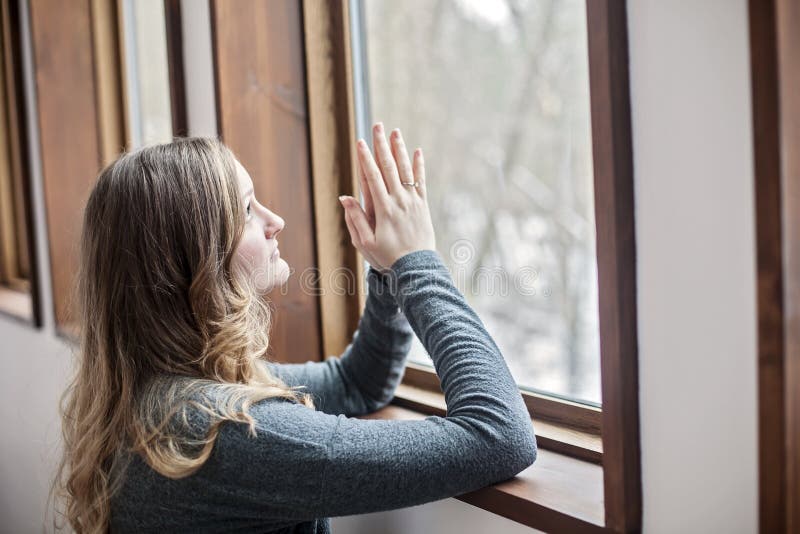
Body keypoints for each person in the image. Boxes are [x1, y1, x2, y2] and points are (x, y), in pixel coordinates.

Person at [52, 123, 537, 533]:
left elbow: (358, 382)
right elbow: (499, 433)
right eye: (245, 210)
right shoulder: (225, 433)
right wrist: (418, 261)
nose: (275, 220)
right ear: (188, 264)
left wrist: (387, 272)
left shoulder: (155, 393)